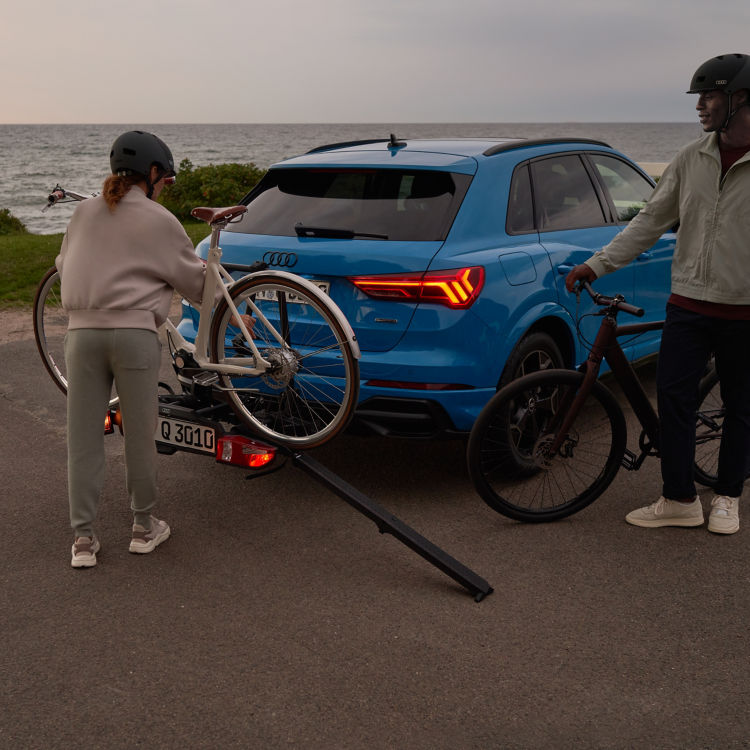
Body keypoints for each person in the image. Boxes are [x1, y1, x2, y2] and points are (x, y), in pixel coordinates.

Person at [565, 53, 750, 535]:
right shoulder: (691, 158)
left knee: (741, 406)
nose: (701, 105)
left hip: (745, 311)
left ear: (740, 98)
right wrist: (598, 263)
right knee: (673, 401)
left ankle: (729, 496)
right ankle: (680, 499)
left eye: (710, 95)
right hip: (688, 303)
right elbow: (649, 221)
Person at [57, 130, 208, 567]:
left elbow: (64, 265)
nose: (164, 188)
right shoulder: (159, 219)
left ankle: (83, 540)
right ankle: (144, 527)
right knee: (139, 434)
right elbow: (195, 283)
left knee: (83, 439)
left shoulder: (84, 212)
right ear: (154, 172)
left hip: (82, 335)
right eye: (165, 180)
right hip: (134, 336)